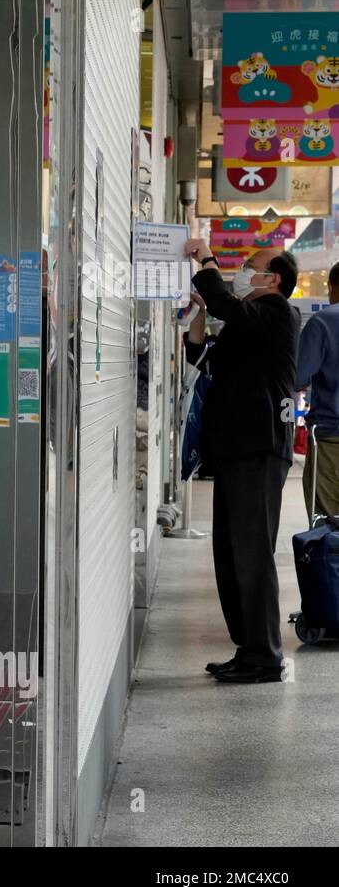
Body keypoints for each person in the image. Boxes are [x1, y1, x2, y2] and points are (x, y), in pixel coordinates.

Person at [183, 239, 300, 683]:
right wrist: (197, 318)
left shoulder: (278, 315)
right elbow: (204, 359)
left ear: (273, 280)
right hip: (235, 449)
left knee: (252, 556)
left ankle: (267, 655)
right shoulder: (247, 325)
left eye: (251, 266)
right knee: (231, 555)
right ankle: (248, 647)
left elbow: (225, 303)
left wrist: (207, 260)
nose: (243, 270)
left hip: (259, 448)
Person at [295, 260, 339, 519]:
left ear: (332, 286)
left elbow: (298, 377)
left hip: (332, 439)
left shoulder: (324, 322)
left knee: (329, 523)